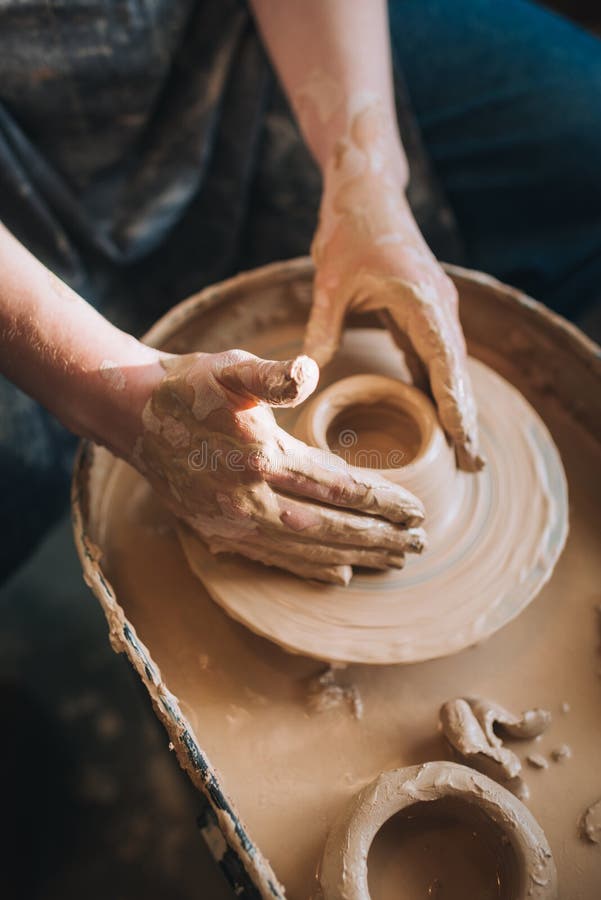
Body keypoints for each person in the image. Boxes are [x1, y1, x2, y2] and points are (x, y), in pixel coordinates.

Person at [1, 0, 599, 583]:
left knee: (582, 125)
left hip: (211, 35)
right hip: (17, 185)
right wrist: (116, 397)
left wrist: (365, 179)